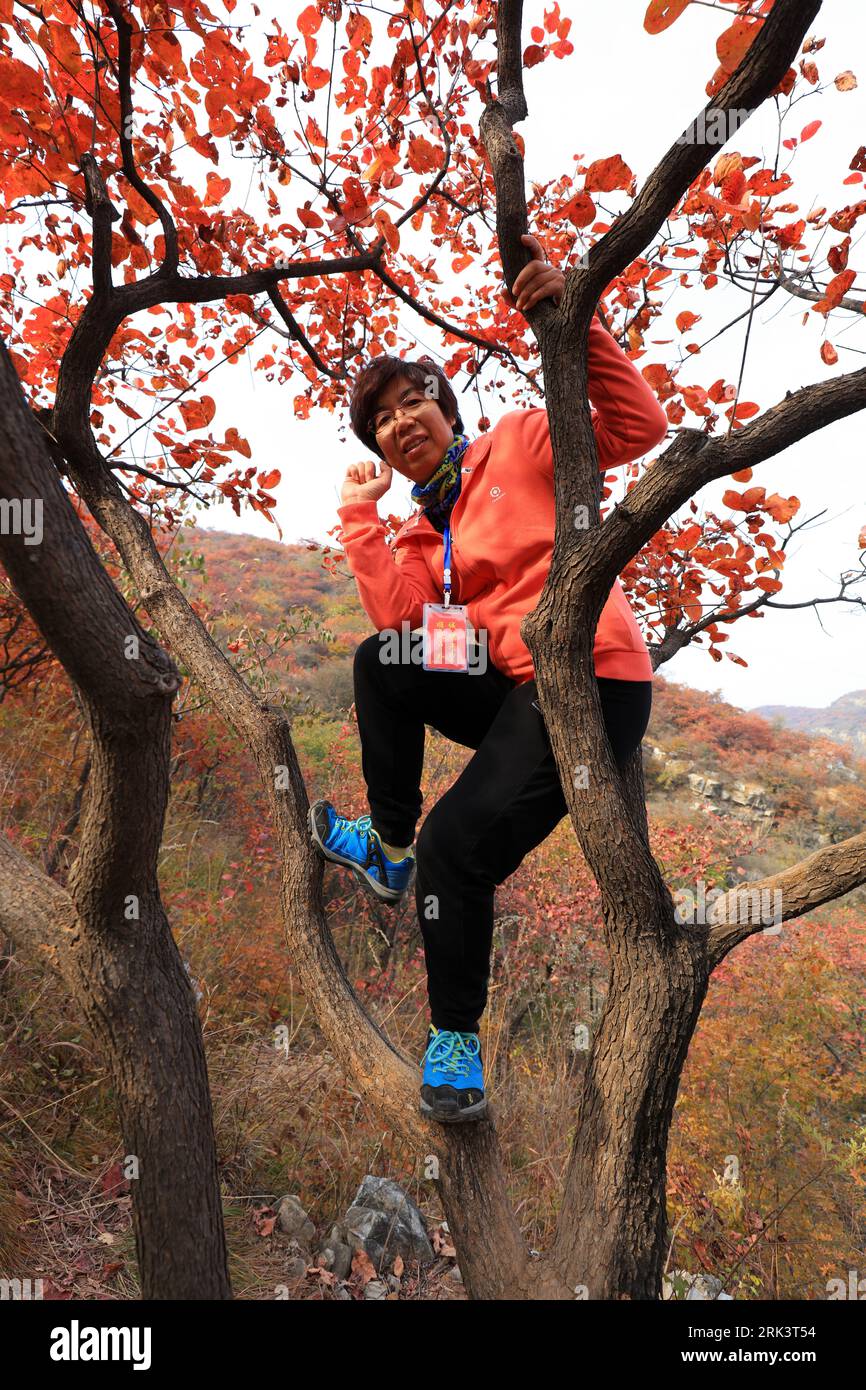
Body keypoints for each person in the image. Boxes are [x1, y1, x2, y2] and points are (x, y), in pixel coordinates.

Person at [309, 234, 668, 1124]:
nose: (401, 421)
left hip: (589, 679)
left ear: (444, 404)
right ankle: (389, 851)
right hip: (513, 685)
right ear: (384, 453)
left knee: (459, 845)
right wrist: (362, 519)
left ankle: (456, 1044)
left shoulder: (515, 444)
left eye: (413, 400)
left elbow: (639, 429)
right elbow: (402, 630)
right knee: (379, 660)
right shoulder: (421, 534)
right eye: (382, 421)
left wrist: (572, 322)